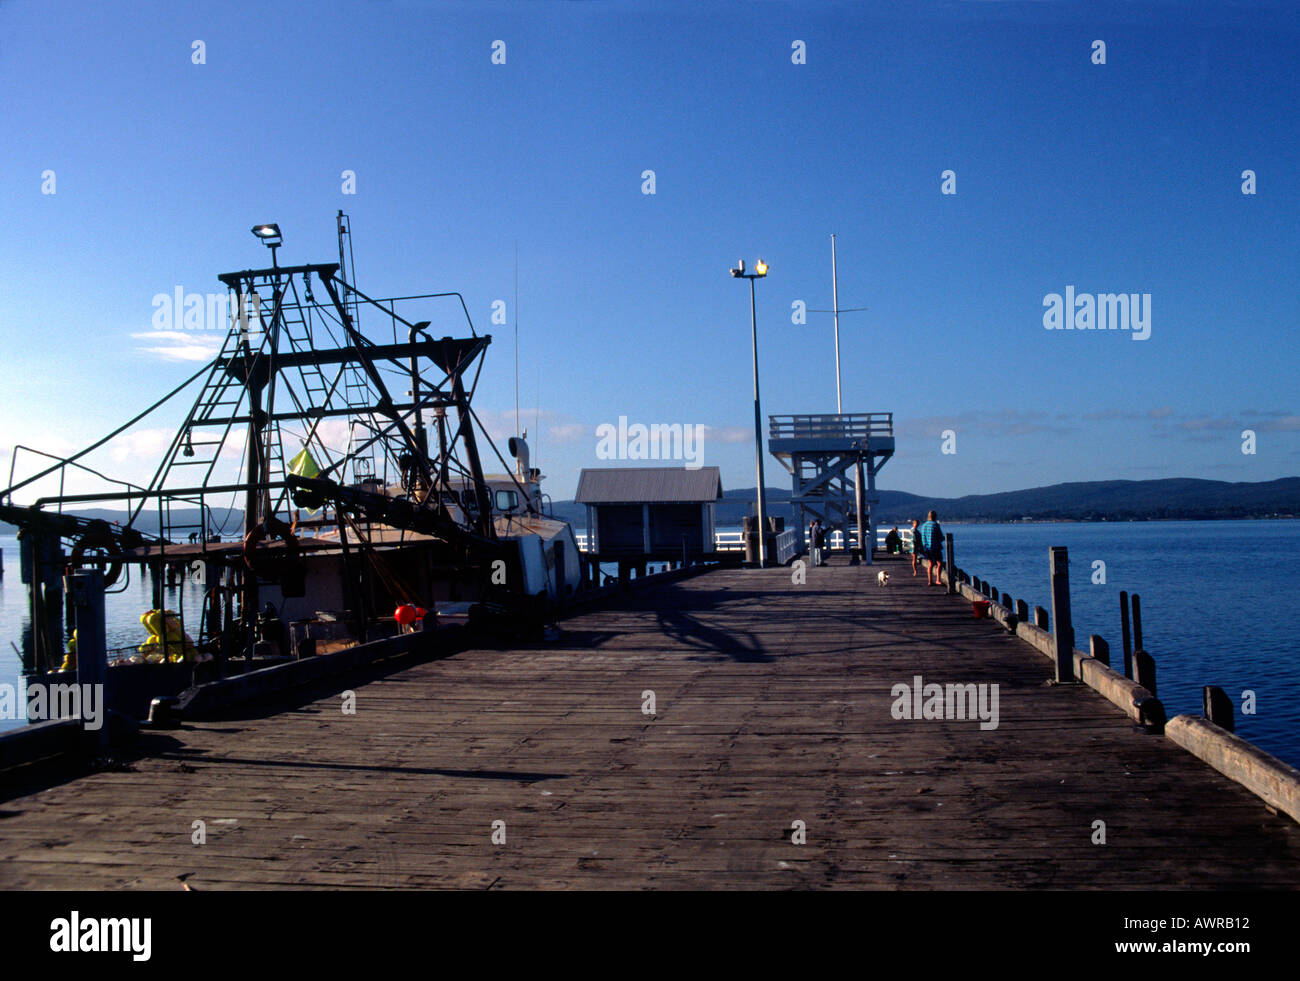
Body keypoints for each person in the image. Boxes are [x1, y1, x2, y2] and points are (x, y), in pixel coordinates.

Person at [918, 510, 944, 586]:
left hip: (927, 548)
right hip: (935, 547)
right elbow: (940, 537)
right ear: (935, 516)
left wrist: (924, 546)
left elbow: (923, 538)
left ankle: (930, 581)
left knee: (930, 564)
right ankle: (938, 580)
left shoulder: (924, 525)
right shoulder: (935, 525)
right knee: (939, 563)